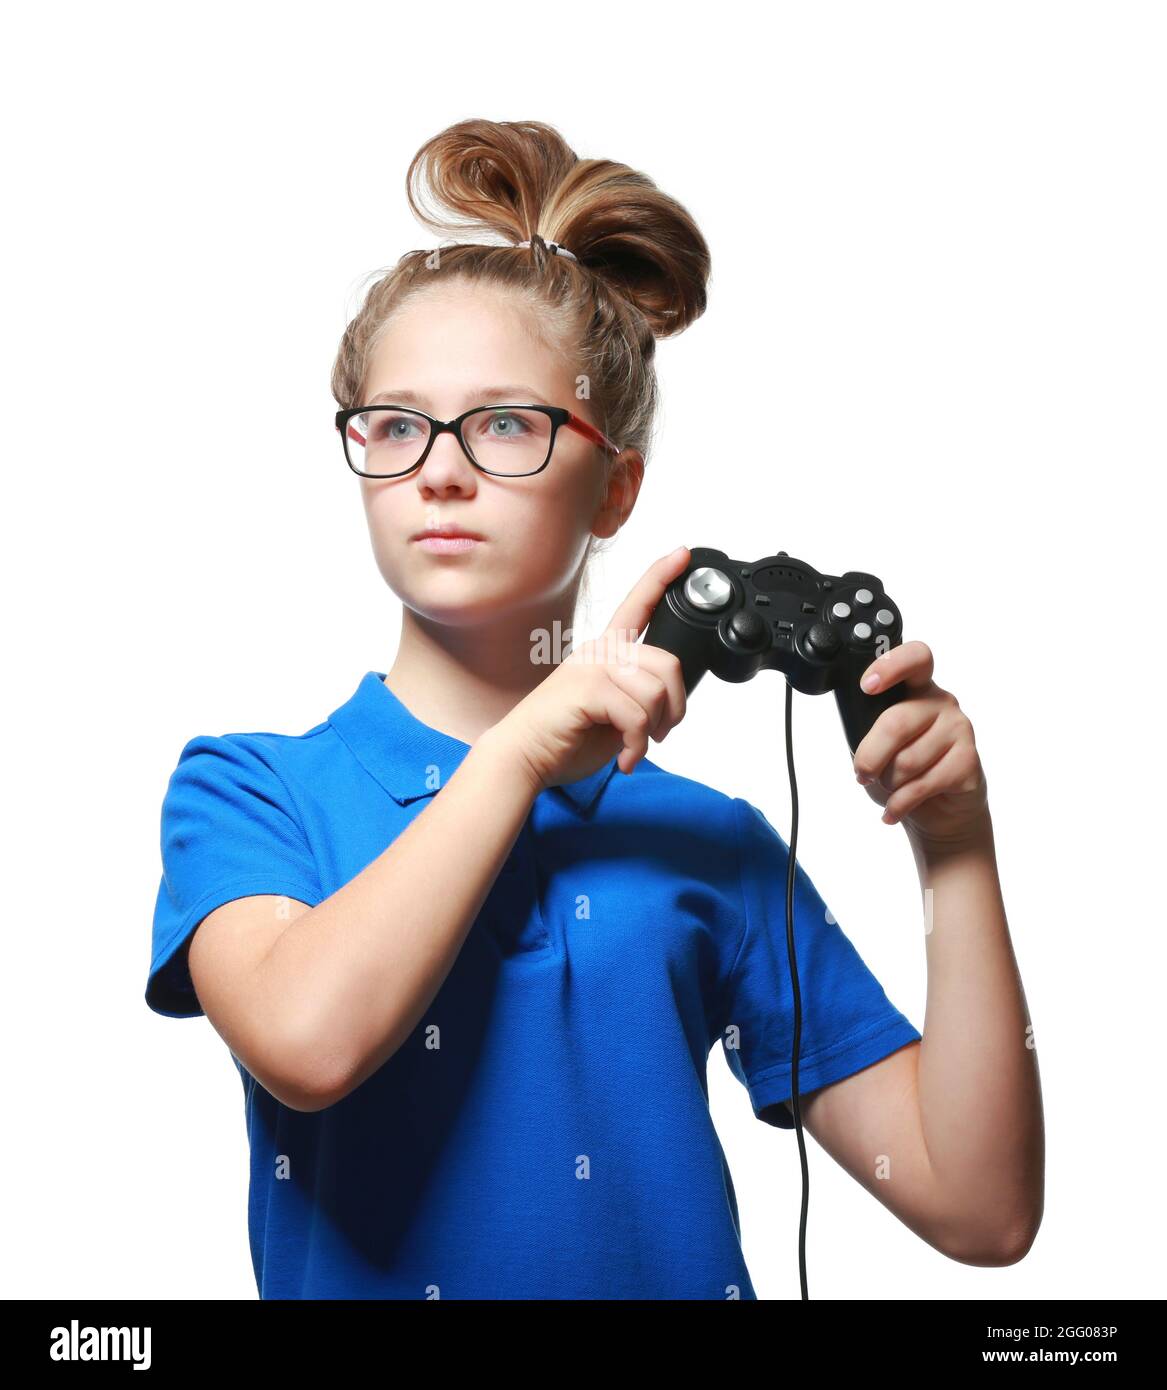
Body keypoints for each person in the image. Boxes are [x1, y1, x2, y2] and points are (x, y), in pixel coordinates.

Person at [146, 118, 1043, 1300]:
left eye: (508, 422)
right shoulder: (249, 789)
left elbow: (980, 1208)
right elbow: (309, 1044)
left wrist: (957, 843)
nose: (443, 469)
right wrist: (521, 752)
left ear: (616, 483)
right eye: (398, 423)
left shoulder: (706, 843)